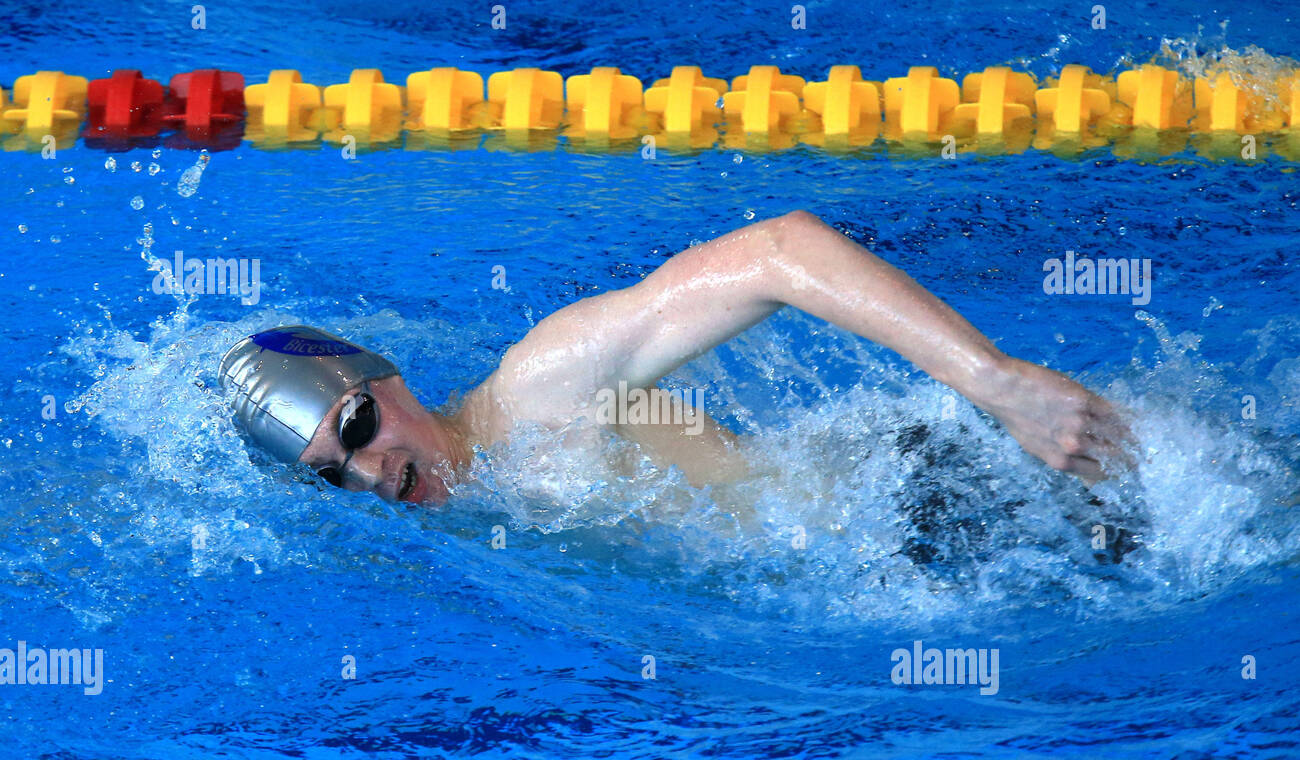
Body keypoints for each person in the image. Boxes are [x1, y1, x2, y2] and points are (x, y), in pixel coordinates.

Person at [219, 211, 1130, 506]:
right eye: (336, 476)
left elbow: (784, 249)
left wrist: (994, 383)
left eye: (359, 426)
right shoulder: (473, 509)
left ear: (389, 382)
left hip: (942, 490)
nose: (374, 472)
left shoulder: (543, 384)